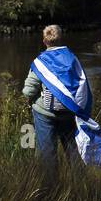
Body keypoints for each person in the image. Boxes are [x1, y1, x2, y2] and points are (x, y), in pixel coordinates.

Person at [22, 24, 79, 170]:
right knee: (73, 150)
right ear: (61, 39)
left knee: (47, 153)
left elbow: (28, 91)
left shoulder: (40, 62)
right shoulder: (72, 59)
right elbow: (81, 84)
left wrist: (29, 99)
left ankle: (51, 187)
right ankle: (81, 184)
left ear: (44, 41)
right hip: (68, 111)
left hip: (45, 113)